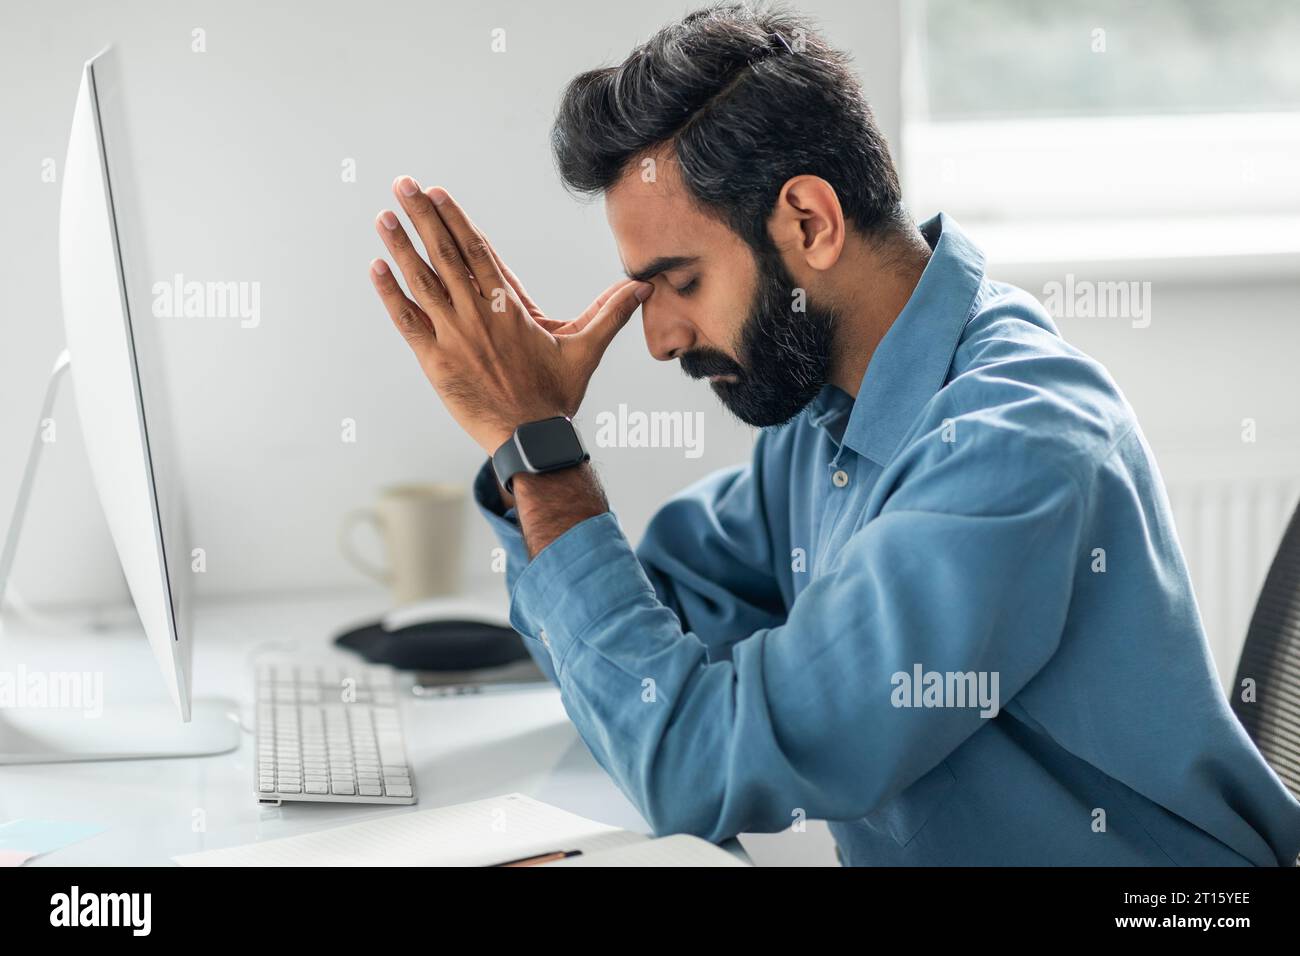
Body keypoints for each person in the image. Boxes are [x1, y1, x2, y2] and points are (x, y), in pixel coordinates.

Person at [366, 3, 1300, 865]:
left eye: (680, 282)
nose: (658, 340)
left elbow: (694, 763)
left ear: (809, 222)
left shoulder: (1015, 446)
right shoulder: (827, 414)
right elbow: (649, 630)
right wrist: (525, 443)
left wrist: (539, 443)